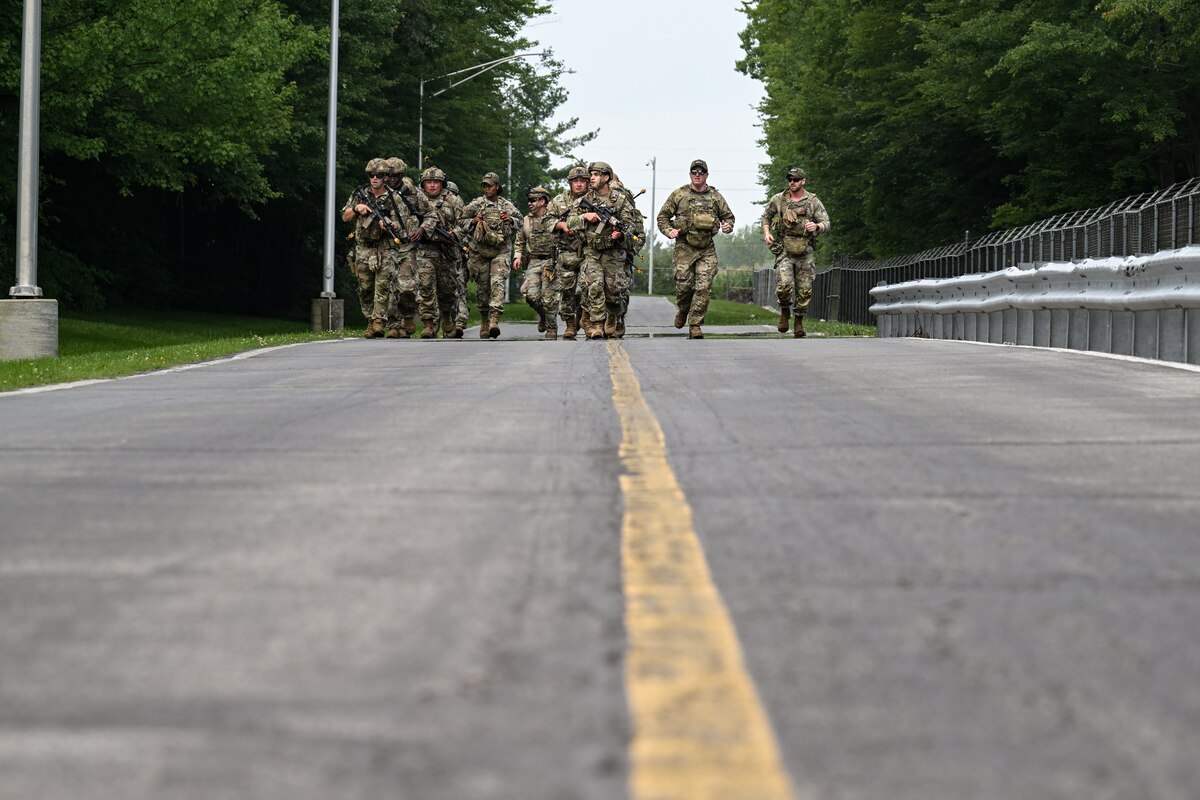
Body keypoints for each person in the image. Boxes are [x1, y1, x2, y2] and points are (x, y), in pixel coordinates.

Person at [656, 159, 735, 339]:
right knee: (684, 287)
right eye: (694, 172)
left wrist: (728, 226)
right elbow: (662, 217)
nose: (697, 175)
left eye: (701, 172)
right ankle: (683, 309)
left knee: (703, 287)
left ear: (706, 175)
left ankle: (695, 325)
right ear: (690, 174)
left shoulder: (715, 197)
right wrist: (669, 231)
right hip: (684, 247)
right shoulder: (679, 195)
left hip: (706, 248)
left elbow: (728, 217)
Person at [567, 161, 642, 339]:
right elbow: (570, 222)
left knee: (614, 292)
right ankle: (596, 324)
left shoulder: (620, 200)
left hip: (614, 253)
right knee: (594, 286)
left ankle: (614, 316)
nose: (591, 178)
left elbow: (631, 227)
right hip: (592, 251)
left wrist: (620, 235)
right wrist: (586, 216)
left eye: (596, 174)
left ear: (606, 177)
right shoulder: (584, 200)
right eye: (591, 174)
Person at [760, 166, 830, 338]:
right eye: (790, 179)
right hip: (785, 250)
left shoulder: (813, 201)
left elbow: (826, 222)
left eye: (796, 180)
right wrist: (767, 232)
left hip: (805, 251)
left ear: (803, 181)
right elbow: (765, 217)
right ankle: (785, 310)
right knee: (784, 286)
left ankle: (799, 320)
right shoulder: (779, 199)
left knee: (805, 290)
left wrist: (817, 226)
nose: (792, 182)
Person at [341, 158, 406, 338]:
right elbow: (345, 217)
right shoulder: (359, 194)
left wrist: (390, 225)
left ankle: (379, 322)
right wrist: (357, 208)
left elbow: (403, 226)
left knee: (383, 287)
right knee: (365, 288)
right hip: (364, 248)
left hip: (385, 247)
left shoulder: (394, 198)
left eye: (379, 175)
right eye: (372, 175)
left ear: (386, 177)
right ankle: (370, 320)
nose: (375, 178)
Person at [460, 172, 522, 339]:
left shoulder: (506, 205)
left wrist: (510, 220)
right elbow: (460, 220)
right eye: (484, 186)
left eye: (490, 185)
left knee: (497, 282)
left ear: (497, 187)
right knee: (483, 287)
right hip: (479, 251)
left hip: (500, 250)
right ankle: (484, 320)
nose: (487, 188)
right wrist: (473, 221)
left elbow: (521, 221)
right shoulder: (476, 204)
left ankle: (494, 319)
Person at [383, 157, 440, 338]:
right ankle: (393, 325)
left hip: (408, 246)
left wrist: (422, 229)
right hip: (385, 246)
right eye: (389, 175)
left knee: (407, 287)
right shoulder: (378, 194)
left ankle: (408, 315)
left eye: (396, 175)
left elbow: (431, 214)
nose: (392, 178)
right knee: (388, 288)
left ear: (401, 175)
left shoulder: (414, 193)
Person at [418, 166, 467, 338]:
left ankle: (447, 317)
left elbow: (465, 223)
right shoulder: (416, 199)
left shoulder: (453, 200)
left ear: (442, 184)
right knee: (425, 287)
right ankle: (429, 323)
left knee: (448, 290)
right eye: (428, 182)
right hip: (425, 250)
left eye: (436, 182)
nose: (432, 186)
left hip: (447, 251)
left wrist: (455, 234)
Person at [547, 166, 590, 339]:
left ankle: (586, 319)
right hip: (566, 252)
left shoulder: (595, 200)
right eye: (575, 181)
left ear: (587, 183)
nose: (579, 185)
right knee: (567, 291)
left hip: (588, 251)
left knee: (588, 287)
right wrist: (562, 226)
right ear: (570, 183)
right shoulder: (559, 201)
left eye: (582, 181)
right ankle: (570, 324)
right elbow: (547, 220)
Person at [514, 186, 560, 340]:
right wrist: (518, 257)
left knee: (549, 297)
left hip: (551, 262)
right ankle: (543, 316)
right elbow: (519, 241)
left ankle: (552, 329)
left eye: (533, 200)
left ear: (542, 201)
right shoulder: (526, 220)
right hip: (533, 261)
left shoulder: (555, 219)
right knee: (530, 295)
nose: (530, 203)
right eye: (529, 200)